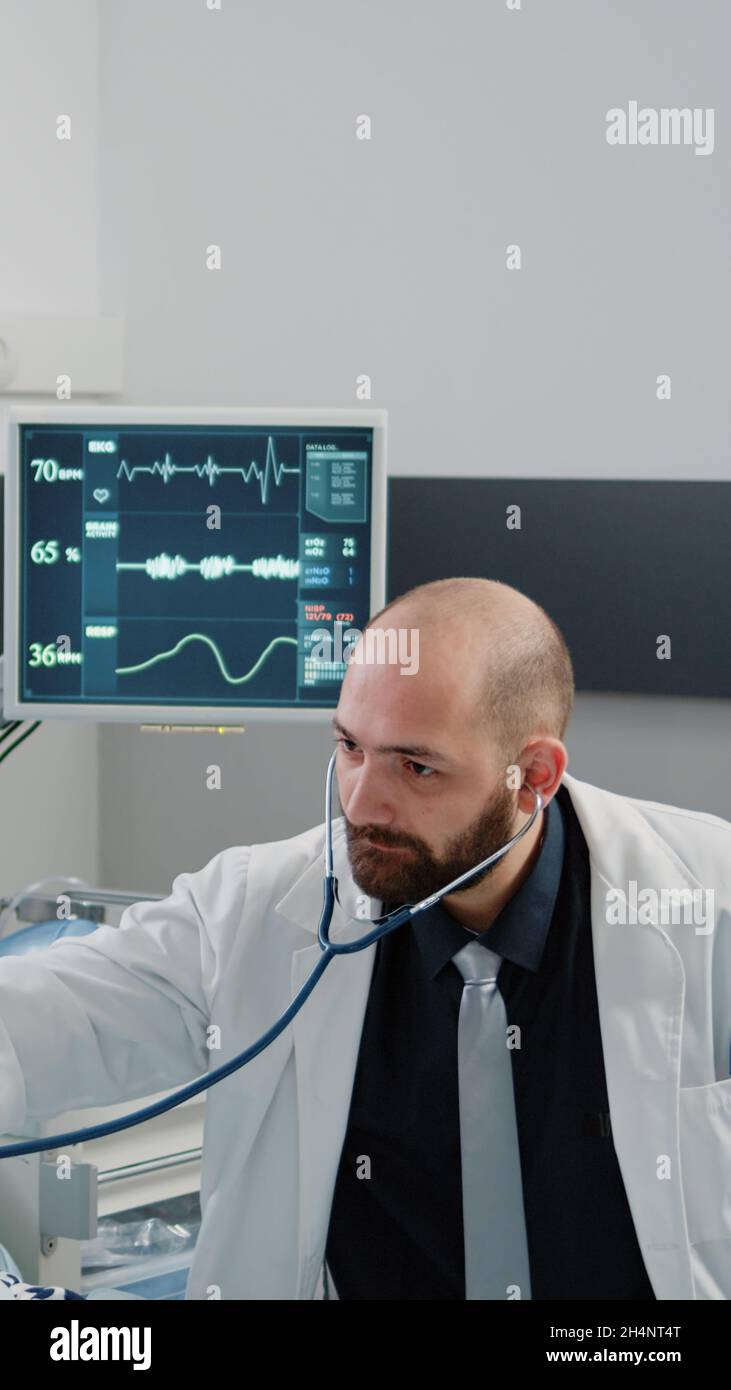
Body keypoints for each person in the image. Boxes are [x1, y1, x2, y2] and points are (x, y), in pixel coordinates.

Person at [0, 577, 728, 1300]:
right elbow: (44, 1024)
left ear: (531, 776)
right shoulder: (253, 912)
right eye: (350, 746)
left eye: (416, 767)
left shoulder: (703, 904)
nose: (361, 802)